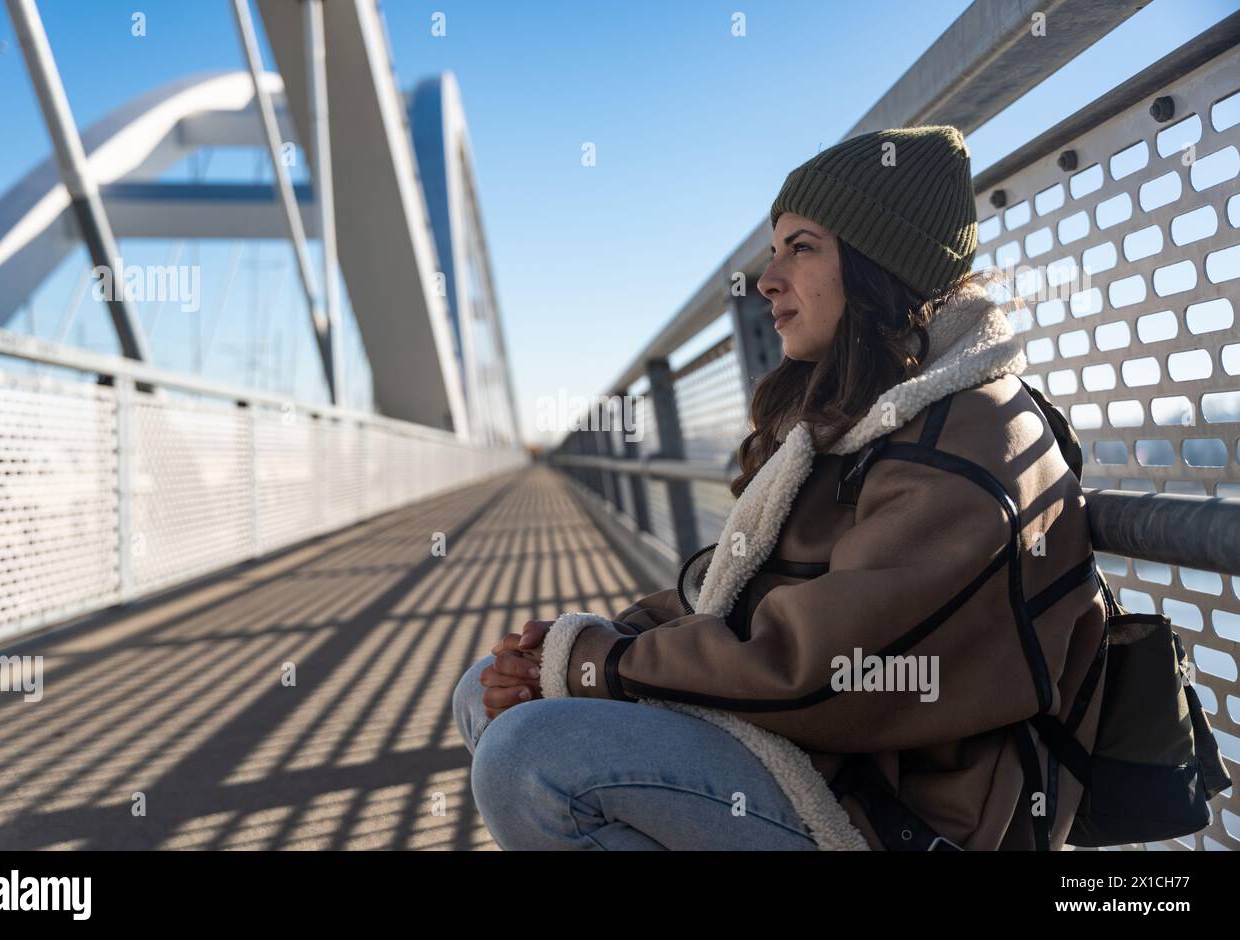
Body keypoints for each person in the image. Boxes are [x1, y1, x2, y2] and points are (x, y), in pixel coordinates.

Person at [452, 125, 1108, 850]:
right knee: (488, 689)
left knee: (529, 758)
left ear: (876, 264)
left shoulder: (971, 437)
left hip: (895, 821)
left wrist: (600, 663)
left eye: (801, 248)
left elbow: (820, 669)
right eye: (773, 251)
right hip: (817, 762)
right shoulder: (864, 416)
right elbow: (737, 595)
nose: (767, 281)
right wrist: (600, 640)